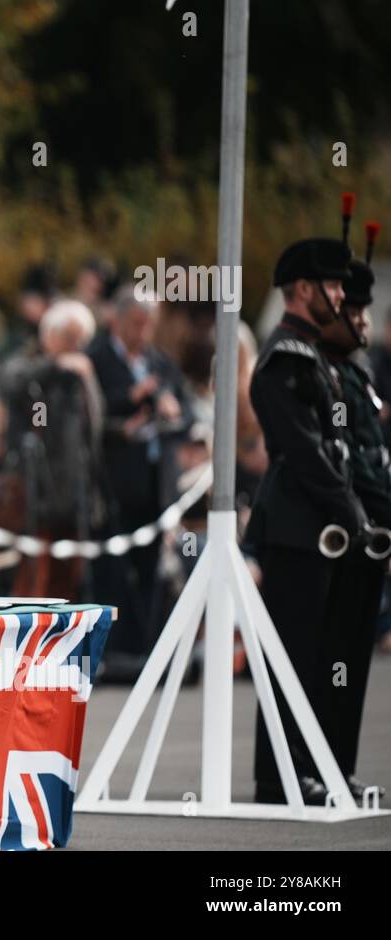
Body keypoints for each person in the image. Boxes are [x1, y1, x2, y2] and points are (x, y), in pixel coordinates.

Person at [247, 237, 368, 806]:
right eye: (334, 286)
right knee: (292, 657)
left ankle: (309, 767)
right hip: (296, 525)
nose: (342, 296)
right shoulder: (286, 358)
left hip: (314, 523)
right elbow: (305, 452)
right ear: (303, 290)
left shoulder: (311, 352)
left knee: (320, 657)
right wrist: (351, 510)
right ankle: (281, 775)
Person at [314, 229, 387, 803]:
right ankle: (316, 767)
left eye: (362, 312)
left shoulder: (357, 374)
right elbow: (342, 458)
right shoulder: (322, 371)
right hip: (337, 534)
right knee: (328, 656)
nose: (361, 323)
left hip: (370, 534)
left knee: (352, 660)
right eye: (351, 311)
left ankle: (340, 764)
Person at [88, 287, 192, 673]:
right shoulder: (96, 359)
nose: (143, 333)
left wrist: (170, 406)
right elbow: (93, 415)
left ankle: (148, 652)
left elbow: (185, 414)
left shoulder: (159, 362)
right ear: (118, 320)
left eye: (149, 325)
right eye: (136, 324)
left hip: (156, 483)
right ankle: (116, 653)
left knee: (153, 572)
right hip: (115, 485)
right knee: (114, 571)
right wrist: (133, 396)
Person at [0, 299, 105, 601]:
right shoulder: (28, 364)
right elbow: (11, 382)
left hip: (73, 493)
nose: (75, 347)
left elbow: (94, 426)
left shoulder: (79, 376)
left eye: (80, 340)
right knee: (32, 580)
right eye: (69, 338)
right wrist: (54, 365)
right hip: (34, 492)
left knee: (68, 581)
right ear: (49, 335)